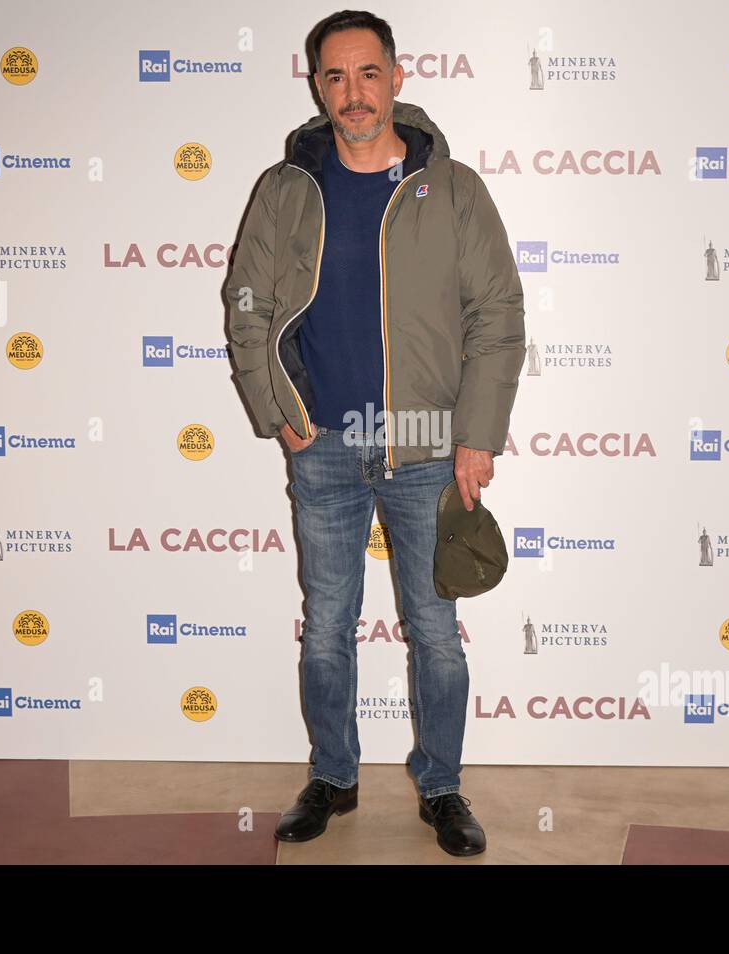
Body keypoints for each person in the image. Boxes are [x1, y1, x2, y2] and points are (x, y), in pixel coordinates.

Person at [224, 9, 524, 858]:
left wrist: (478, 435)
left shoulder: (452, 188)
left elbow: (497, 316)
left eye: (366, 74)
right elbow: (246, 306)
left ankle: (442, 786)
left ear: (396, 77)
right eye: (334, 76)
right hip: (320, 447)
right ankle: (333, 775)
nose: (352, 94)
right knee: (327, 626)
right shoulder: (287, 189)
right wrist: (274, 408)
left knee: (434, 631)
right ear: (316, 85)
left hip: (429, 446)